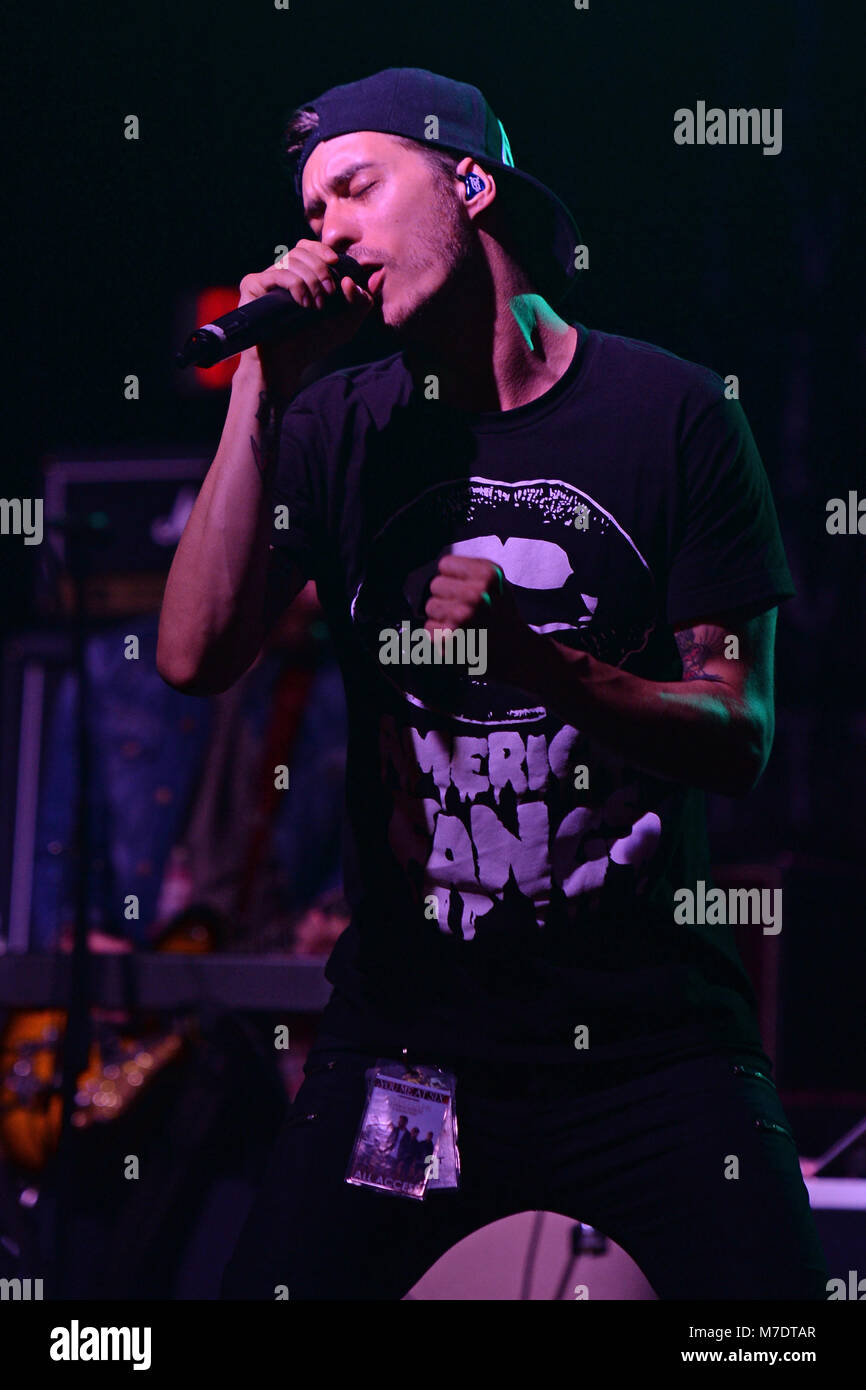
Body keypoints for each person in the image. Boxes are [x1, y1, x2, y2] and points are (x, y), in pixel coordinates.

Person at [158, 68, 828, 1301]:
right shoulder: (337, 426)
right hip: (411, 1050)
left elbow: (736, 731)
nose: (327, 235)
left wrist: (545, 665)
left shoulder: (668, 412)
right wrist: (264, 384)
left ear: (468, 184)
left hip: (650, 1050)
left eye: (355, 189)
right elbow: (194, 657)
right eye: (311, 216)